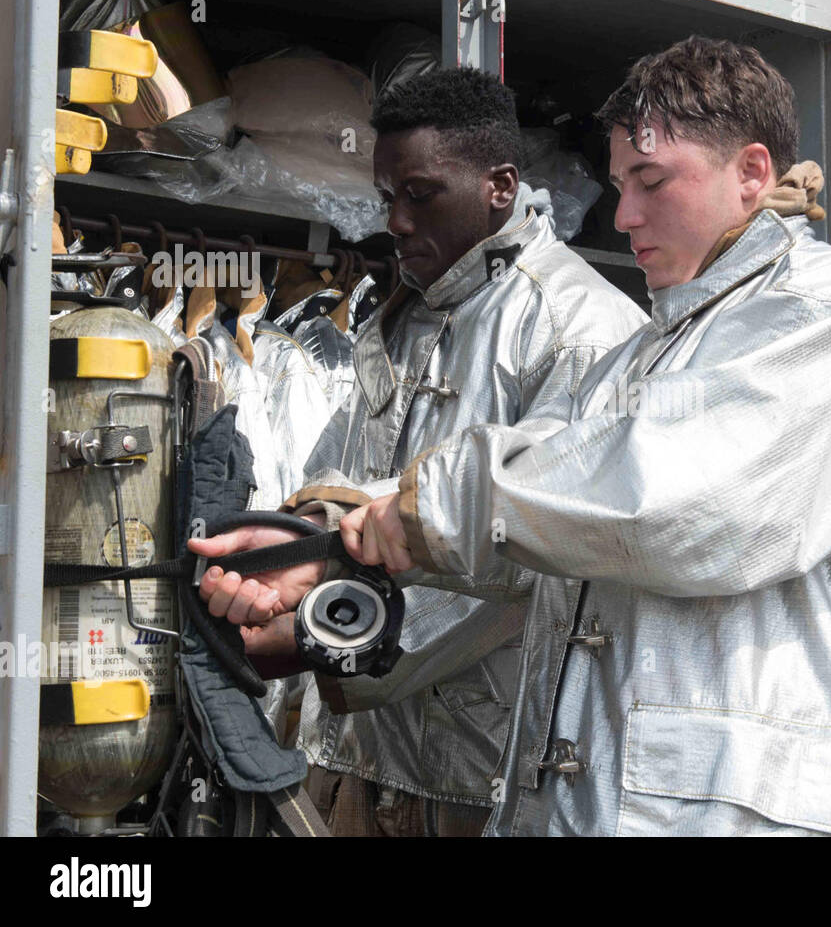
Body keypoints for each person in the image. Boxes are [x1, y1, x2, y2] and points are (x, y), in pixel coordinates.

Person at [196, 36, 831, 836]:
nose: (624, 214)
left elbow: (672, 500)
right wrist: (323, 550)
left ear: (751, 172)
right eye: (619, 185)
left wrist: (420, 513)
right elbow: (537, 523)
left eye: (651, 181)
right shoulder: (639, 359)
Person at [192, 66, 646, 836]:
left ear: (500, 185)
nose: (395, 222)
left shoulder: (581, 332)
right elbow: (334, 485)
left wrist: (314, 630)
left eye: (421, 195)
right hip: (354, 768)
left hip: (483, 785)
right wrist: (280, 559)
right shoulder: (406, 314)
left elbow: (539, 559)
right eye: (385, 199)